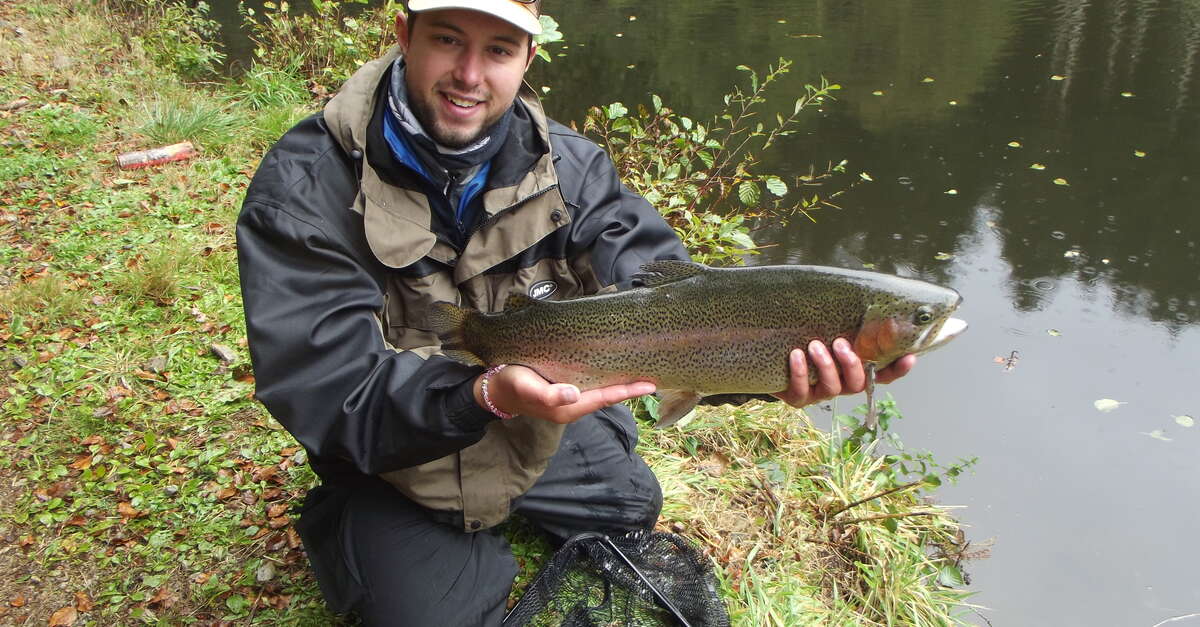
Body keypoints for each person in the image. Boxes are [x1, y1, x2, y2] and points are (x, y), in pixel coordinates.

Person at [236, 1, 915, 624]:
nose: (469, 75)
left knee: (629, 503)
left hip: (530, 423)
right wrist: (483, 394)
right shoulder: (303, 190)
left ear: (528, 57)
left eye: (499, 50)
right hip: (391, 455)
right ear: (404, 35)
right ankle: (354, 531)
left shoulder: (572, 168)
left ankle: (511, 484)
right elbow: (328, 392)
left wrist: (778, 367)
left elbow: (685, 314)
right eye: (447, 40)